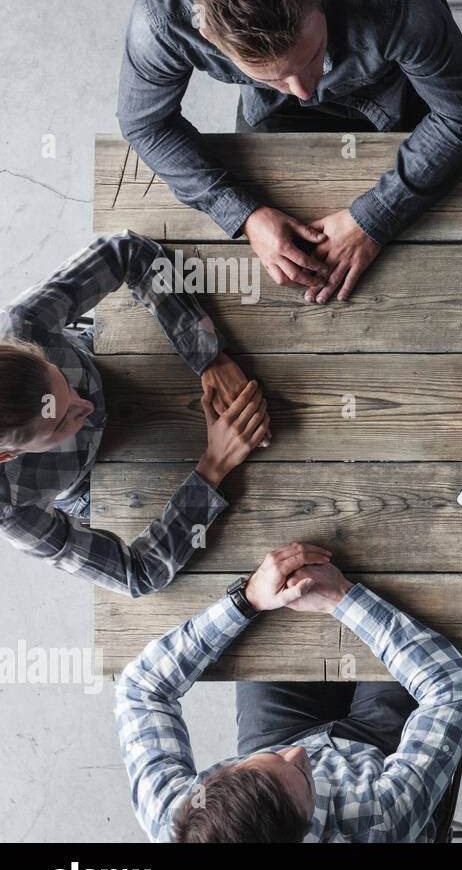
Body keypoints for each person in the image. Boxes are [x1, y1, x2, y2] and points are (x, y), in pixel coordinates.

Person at [118, 0, 462, 304]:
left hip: (393, 86)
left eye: (312, 55)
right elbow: (145, 124)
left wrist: (375, 217)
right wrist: (244, 214)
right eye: (273, 75)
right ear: (209, 36)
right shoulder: (162, 16)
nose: (304, 91)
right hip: (267, 111)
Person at [116, 542, 462, 842]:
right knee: (425, 607)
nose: (299, 753)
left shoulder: (176, 818)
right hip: (382, 757)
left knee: (283, 602)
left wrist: (246, 600)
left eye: (249, 766)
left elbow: (142, 688)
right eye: (306, 779)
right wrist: (342, 598)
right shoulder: (379, 822)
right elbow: (452, 687)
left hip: (275, 731)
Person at [0, 231, 267, 597]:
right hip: (90, 483)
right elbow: (138, 574)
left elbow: (125, 251)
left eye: (60, 377)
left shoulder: (22, 325)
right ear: (7, 455)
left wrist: (207, 354)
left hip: (110, 360)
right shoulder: (11, 511)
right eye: (61, 422)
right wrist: (213, 467)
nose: (87, 406)